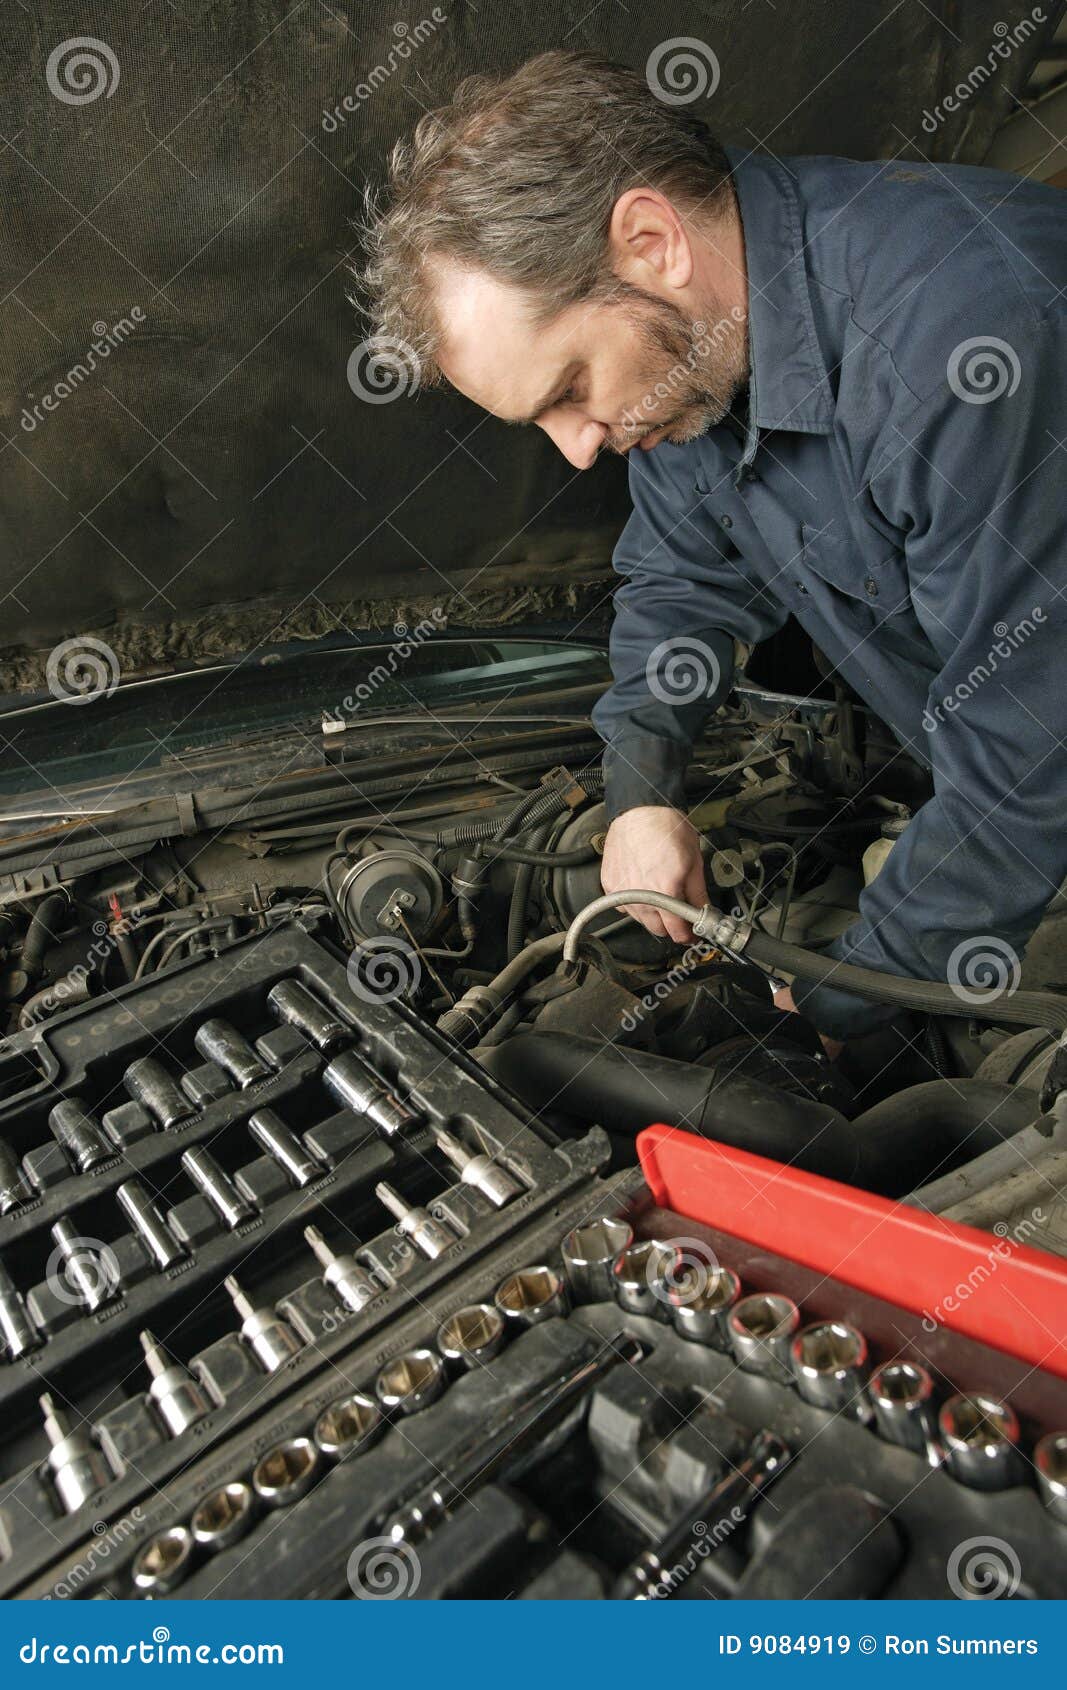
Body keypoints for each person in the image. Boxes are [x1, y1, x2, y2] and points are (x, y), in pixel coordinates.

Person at [360, 50, 1067, 1045]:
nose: (575, 449)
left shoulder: (960, 348)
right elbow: (680, 576)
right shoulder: (694, 360)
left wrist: (840, 1006)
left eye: (567, 389)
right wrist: (641, 795)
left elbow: (1029, 749)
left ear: (649, 241)